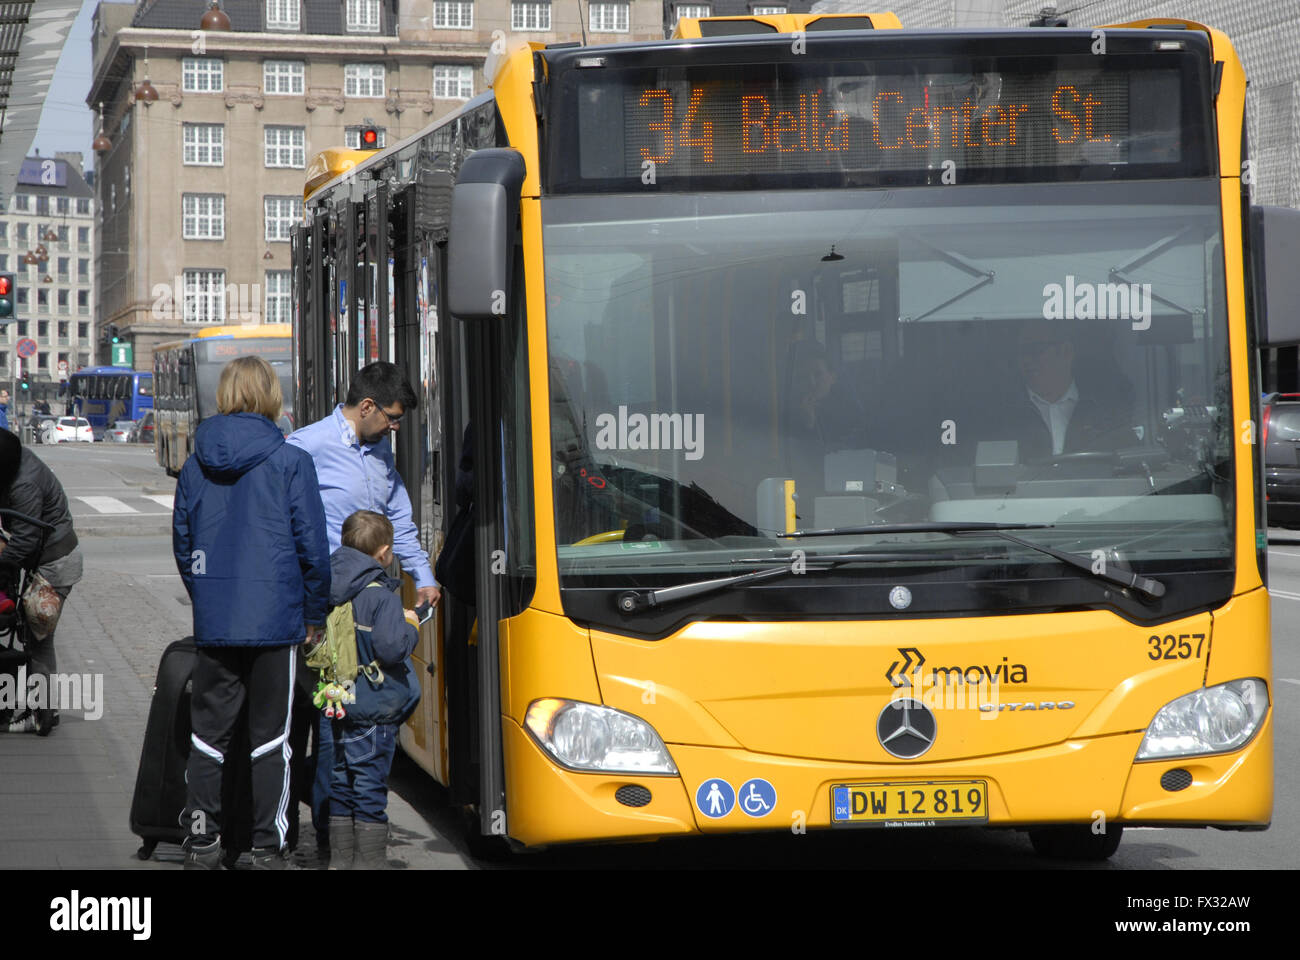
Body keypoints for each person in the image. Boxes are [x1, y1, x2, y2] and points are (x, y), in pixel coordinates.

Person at [172, 356, 330, 870]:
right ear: (270, 395)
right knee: (273, 740)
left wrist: (208, 598)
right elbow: (313, 547)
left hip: (218, 622)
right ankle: (267, 845)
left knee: (207, 738)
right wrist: (315, 614)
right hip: (275, 623)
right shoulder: (290, 461)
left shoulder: (196, 461)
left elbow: (183, 540)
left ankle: (201, 841)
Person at [286, 361, 439, 863]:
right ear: (367, 406)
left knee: (359, 714)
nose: (396, 428)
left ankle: (343, 836)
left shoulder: (380, 451)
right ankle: (334, 839)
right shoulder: (305, 446)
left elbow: (397, 519)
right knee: (335, 725)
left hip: (371, 605)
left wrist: (425, 576)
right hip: (329, 616)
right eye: (392, 418)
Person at [323, 510, 421, 869]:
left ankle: (340, 860)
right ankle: (370, 862)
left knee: (341, 781)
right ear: (384, 554)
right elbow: (392, 648)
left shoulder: (330, 585)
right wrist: (411, 625)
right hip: (374, 707)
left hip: (338, 702)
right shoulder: (381, 596)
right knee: (369, 787)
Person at [0, 430, 84, 734]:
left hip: (55, 564)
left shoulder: (24, 483)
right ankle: (45, 708)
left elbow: (24, 541)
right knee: (34, 636)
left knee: (39, 638)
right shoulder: (16, 464)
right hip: (47, 559)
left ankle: (42, 713)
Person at [1001, 321, 1135, 461]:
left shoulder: (1107, 410)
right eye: (1022, 352)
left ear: (1066, 351)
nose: (1026, 360)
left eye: (1035, 350)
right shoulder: (1003, 415)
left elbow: (1132, 466)